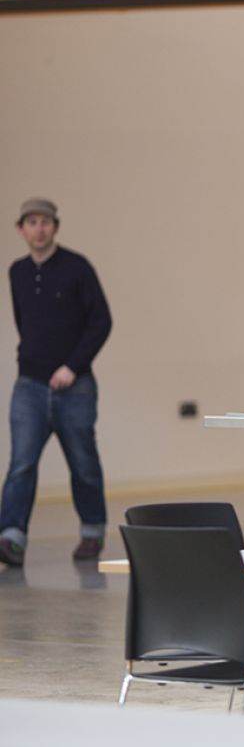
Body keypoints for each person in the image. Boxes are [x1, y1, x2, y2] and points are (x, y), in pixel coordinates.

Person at [0, 199, 112, 568]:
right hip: (29, 386)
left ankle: (92, 532)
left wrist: (72, 366)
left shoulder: (77, 268)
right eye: (31, 222)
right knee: (21, 464)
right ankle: (11, 539)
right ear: (21, 229)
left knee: (83, 464)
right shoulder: (16, 272)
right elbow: (25, 320)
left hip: (75, 388)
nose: (39, 229)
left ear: (55, 227)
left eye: (45, 222)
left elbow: (101, 322)